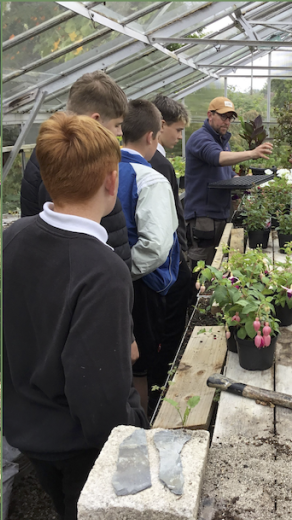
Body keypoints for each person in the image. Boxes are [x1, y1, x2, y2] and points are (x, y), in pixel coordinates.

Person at [3, 112, 147, 520]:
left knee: (60, 505)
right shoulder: (102, 270)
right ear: (111, 181)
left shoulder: (12, 237)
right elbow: (98, 393)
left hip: (28, 429)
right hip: (79, 443)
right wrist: (134, 425)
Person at [19, 71, 131, 270]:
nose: (120, 133)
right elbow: (64, 245)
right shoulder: (65, 161)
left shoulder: (69, 155)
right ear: (95, 120)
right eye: (117, 125)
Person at [118, 100, 179, 413]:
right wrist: (123, 272)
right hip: (141, 286)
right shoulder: (150, 179)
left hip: (107, 279)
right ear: (152, 136)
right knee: (141, 361)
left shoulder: (105, 167)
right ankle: (142, 422)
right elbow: (156, 246)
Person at [147, 95, 195, 415]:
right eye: (178, 130)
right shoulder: (158, 164)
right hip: (164, 266)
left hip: (157, 265)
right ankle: (163, 383)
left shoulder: (151, 160)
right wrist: (182, 262)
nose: (180, 137)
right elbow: (169, 220)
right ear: (160, 125)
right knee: (168, 324)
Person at [183, 97, 273, 266]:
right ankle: (193, 293)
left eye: (230, 118)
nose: (227, 122)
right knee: (201, 266)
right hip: (204, 216)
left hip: (220, 213)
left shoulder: (222, 141)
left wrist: (239, 180)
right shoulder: (200, 138)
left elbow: (225, 170)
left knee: (216, 264)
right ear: (210, 115)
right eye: (223, 117)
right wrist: (252, 153)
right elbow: (217, 158)